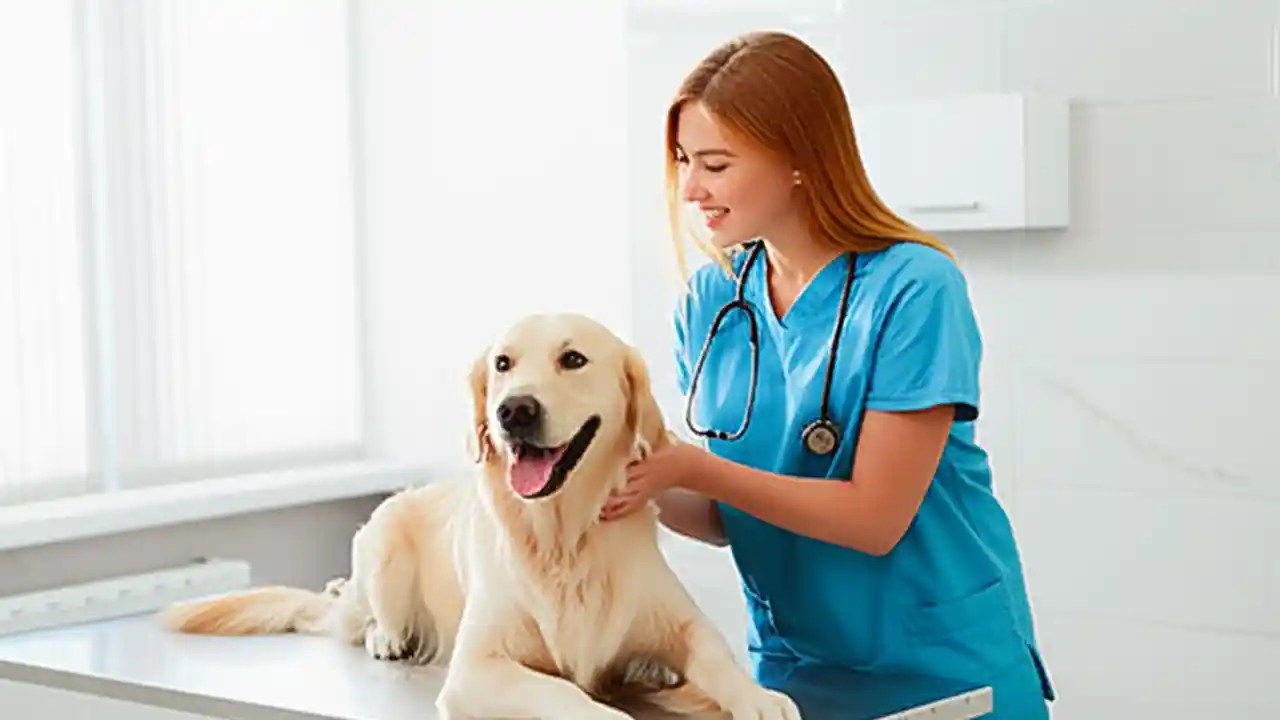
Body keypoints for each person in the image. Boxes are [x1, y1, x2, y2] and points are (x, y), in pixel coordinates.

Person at [600, 30, 1055, 718]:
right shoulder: (711, 300)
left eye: (716, 164)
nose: (691, 188)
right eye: (684, 160)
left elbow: (875, 518)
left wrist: (691, 468)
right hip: (793, 673)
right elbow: (726, 518)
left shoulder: (914, 287)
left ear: (798, 160)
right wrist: (620, 479)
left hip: (942, 671)